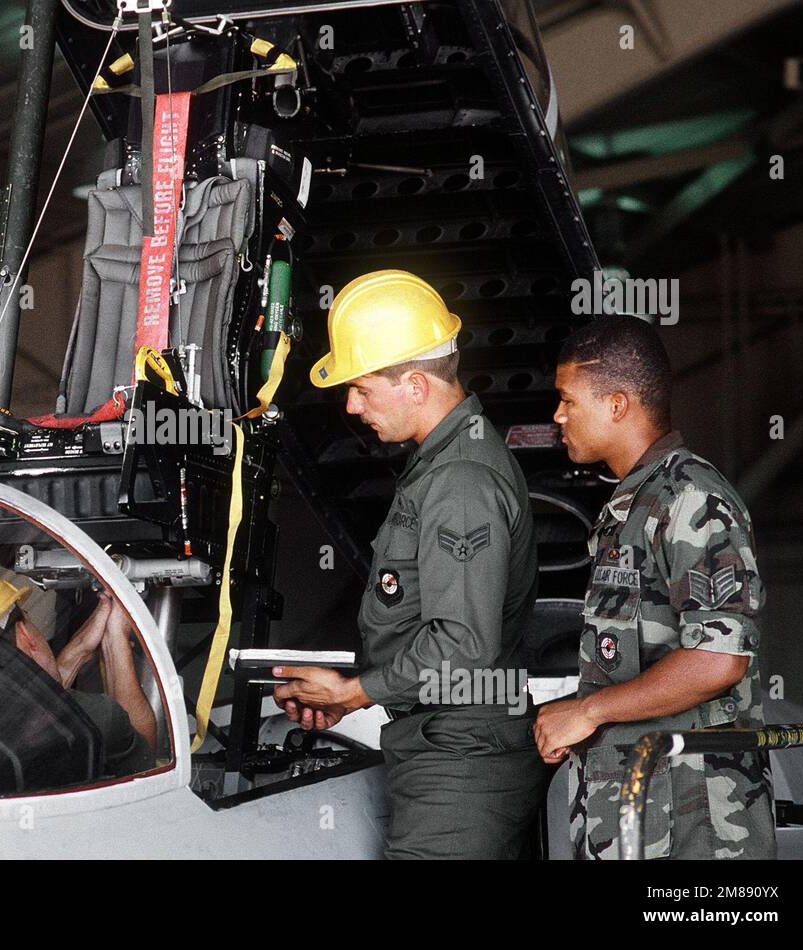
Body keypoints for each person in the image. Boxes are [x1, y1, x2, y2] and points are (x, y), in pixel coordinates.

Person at [271, 269, 547, 858]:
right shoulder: (440, 463)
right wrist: (344, 691)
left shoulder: (461, 482)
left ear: (416, 386)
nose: (350, 404)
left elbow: (462, 644)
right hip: (443, 747)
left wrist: (354, 693)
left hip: (462, 764)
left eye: (364, 388)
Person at [534, 314, 776, 859]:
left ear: (617, 404)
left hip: (699, 818)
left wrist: (589, 711)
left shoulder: (690, 499)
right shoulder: (633, 504)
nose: (557, 415)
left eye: (568, 400)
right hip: (640, 814)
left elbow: (719, 659)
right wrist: (580, 709)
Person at [0, 566, 156, 777]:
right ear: (25, 635)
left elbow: (44, 700)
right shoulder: (97, 718)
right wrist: (115, 640)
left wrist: (78, 652)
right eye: (27, 615)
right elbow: (145, 764)